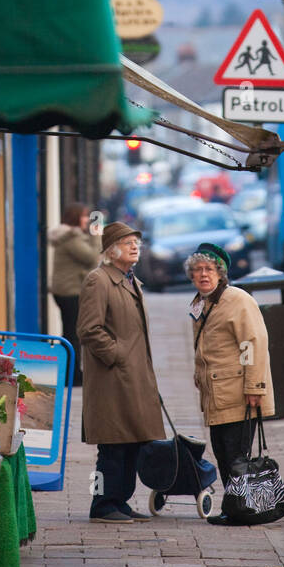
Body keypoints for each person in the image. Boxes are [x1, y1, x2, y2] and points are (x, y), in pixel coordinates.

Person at [76, 221, 165, 523]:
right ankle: (101, 504)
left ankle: (120, 502)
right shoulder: (98, 280)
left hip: (133, 377)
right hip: (112, 378)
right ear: (112, 251)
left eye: (136, 242)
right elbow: (89, 329)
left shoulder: (130, 280)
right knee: (111, 446)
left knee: (133, 443)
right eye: (128, 242)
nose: (135, 247)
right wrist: (117, 355)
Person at [186, 242, 275, 526]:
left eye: (209, 270)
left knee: (237, 456)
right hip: (217, 393)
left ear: (221, 274)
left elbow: (253, 343)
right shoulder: (202, 302)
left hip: (239, 391)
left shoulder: (237, 299)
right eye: (198, 270)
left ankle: (241, 510)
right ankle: (238, 506)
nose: (203, 275)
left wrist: (255, 387)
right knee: (224, 454)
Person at [48, 203, 101, 386]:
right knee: (73, 333)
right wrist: (96, 235)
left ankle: (71, 372)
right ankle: (72, 375)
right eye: (85, 216)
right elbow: (91, 258)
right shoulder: (71, 238)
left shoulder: (70, 236)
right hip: (70, 291)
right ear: (75, 218)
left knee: (71, 331)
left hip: (65, 290)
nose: (87, 220)